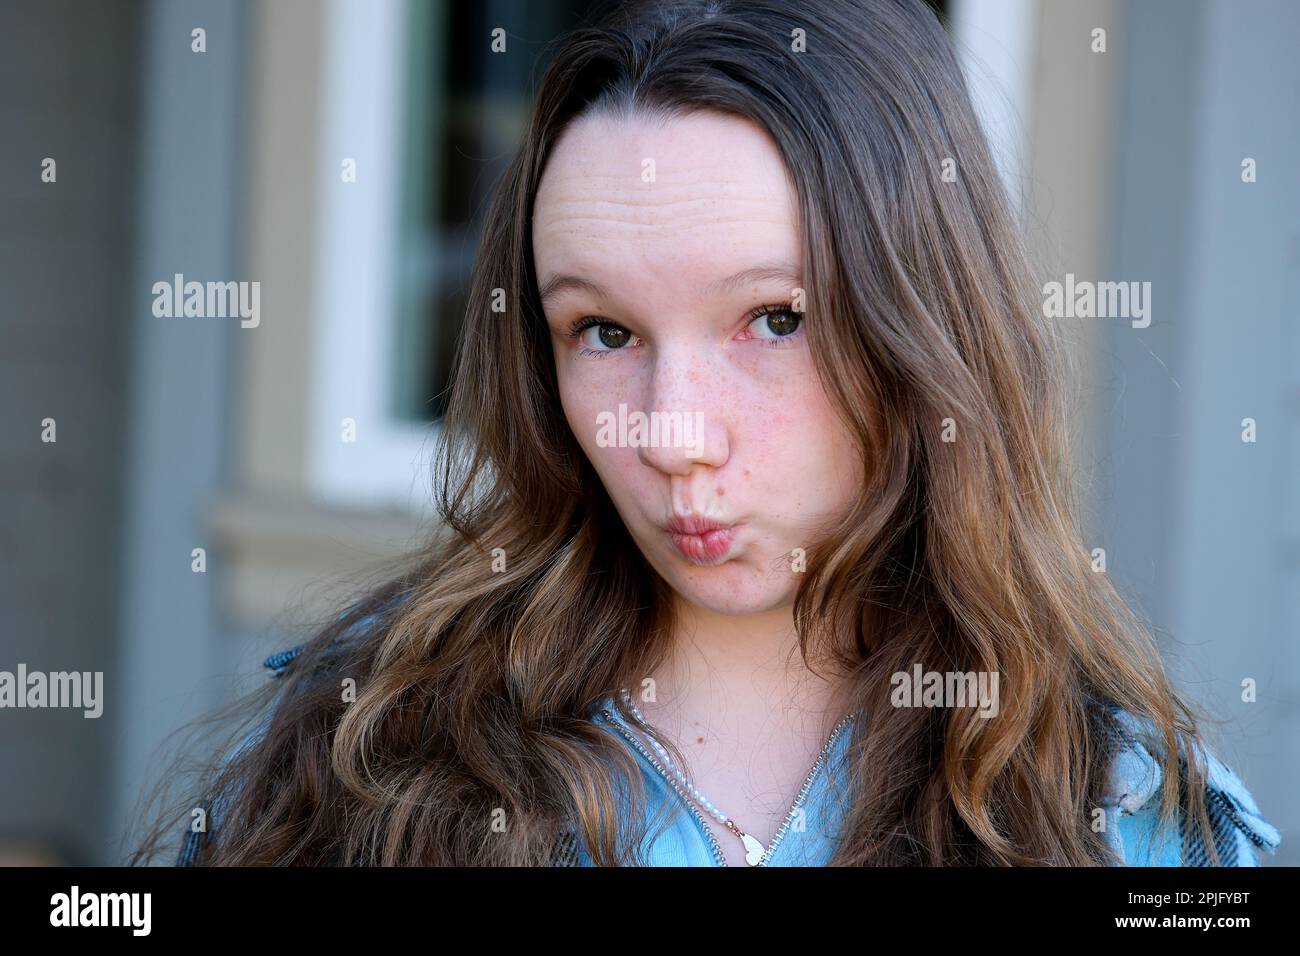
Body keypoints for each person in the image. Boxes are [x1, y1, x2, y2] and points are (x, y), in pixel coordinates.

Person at [138, 0, 1281, 867]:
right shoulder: (365, 750)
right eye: (601, 330)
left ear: (924, 330)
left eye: (773, 318)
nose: (671, 433)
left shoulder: (1126, 815)